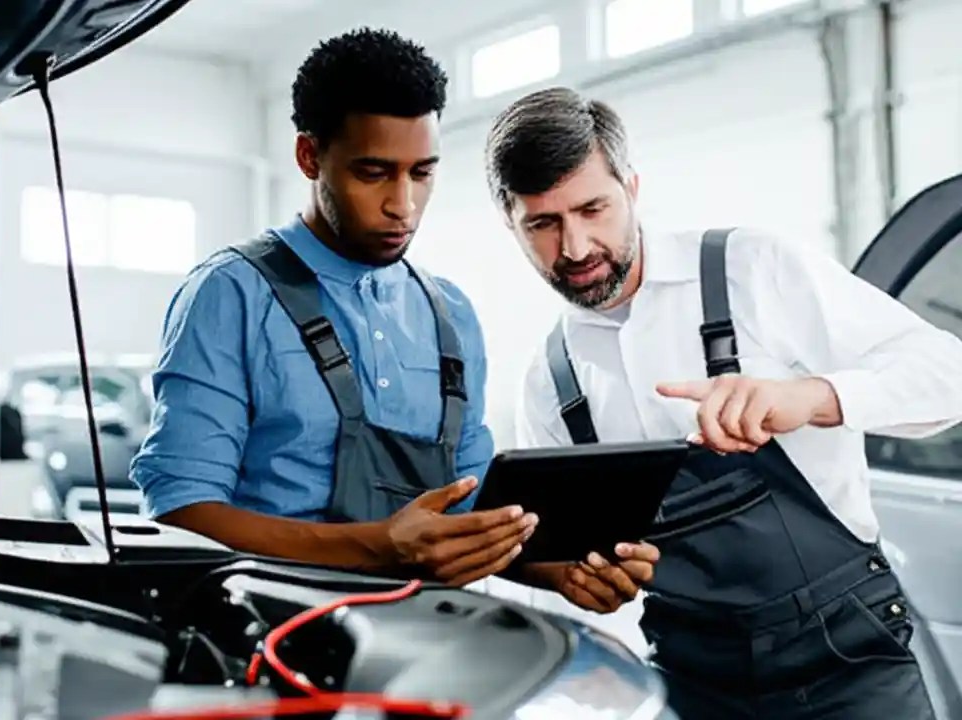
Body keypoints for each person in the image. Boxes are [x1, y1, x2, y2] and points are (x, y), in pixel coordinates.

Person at [485, 86, 962, 718]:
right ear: (510, 225)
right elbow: (571, 567)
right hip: (693, 683)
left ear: (631, 187)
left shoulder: (752, 268)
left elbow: (947, 373)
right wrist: (588, 582)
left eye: (593, 209)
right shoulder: (551, 380)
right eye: (542, 224)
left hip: (850, 662)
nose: (574, 247)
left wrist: (811, 397)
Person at [132, 28, 656, 591]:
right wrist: (379, 549)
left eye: (421, 173)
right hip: (271, 637)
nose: (402, 205)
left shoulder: (450, 312)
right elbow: (179, 510)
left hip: (428, 642)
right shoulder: (229, 294)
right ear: (310, 157)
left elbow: (472, 510)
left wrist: (563, 571)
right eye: (373, 173)